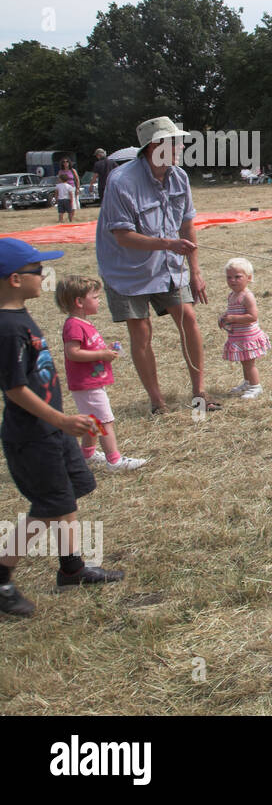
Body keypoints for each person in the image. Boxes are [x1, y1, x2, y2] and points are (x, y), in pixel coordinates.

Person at [0, 239, 126, 618]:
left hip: (52, 429)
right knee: (48, 507)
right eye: (40, 271)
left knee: (66, 497)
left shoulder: (20, 315)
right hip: (34, 435)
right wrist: (61, 420)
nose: (46, 276)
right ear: (15, 279)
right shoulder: (7, 328)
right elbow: (14, 388)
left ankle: (72, 569)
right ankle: (2, 579)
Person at [95, 116, 217, 414]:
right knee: (142, 331)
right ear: (154, 146)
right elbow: (123, 236)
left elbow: (188, 226)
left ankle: (199, 393)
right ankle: (157, 402)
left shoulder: (179, 177)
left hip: (168, 264)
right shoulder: (121, 181)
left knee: (188, 317)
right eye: (173, 142)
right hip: (126, 269)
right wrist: (168, 244)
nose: (179, 147)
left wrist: (195, 271)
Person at [56, 274, 146, 472]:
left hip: (92, 382)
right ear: (79, 302)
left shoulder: (83, 322)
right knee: (105, 421)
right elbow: (72, 353)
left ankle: (86, 454)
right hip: (86, 384)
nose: (99, 301)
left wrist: (106, 349)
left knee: (93, 420)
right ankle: (114, 461)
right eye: (95, 297)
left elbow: (86, 348)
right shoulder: (73, 325)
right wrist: (101, 354)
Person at [217, 258, 270, 400]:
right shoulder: (232, 296)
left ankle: (255, 386)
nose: (233, 280)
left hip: (248, 337)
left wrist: (233, 318)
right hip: (238, 336)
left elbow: (252, 316)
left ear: (249, 278)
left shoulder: (247, 296)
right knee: (243, 361)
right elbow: (232, 312)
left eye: (237, 277)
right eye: (229, 277)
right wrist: (224, 318)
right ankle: (247, 383)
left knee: (249, 363)